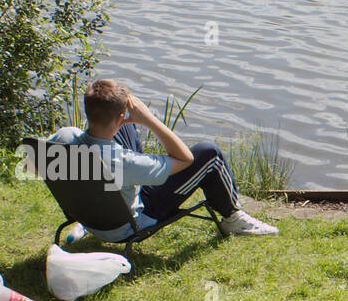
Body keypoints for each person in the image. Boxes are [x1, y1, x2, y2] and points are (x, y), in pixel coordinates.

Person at [48, 79, 277, 241]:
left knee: (116, 134)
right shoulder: (124, 162)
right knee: (209, 153)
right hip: (128, 222)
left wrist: (121, 124)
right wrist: (148, 119)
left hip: (89, 214)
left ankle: (98, 200)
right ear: (120, 117)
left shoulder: (64, 136)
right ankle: (232, 217)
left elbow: (89, 143)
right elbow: (185, 158)